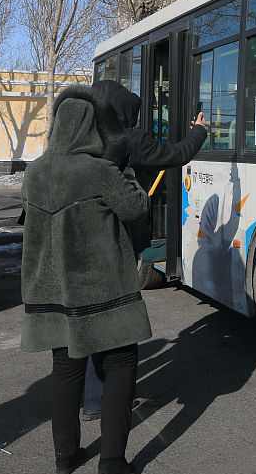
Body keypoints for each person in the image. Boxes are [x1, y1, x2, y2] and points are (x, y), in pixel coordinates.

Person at [20, 85, 150, 474]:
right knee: (121, 363)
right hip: (103, 289)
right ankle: (111, 462)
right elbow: (136, 207)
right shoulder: (98, 171)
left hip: (53, 290)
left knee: (65, 368)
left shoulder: (35, 171)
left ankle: (65, 456)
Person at [78, 79, 207, 420]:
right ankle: (109, 403)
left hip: (79, 243)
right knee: (117, 325)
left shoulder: (79, 140)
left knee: (91, 323)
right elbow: (177, 155)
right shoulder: (129, 141)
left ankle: (91, 399)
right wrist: (198, 131)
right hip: (116, 244)